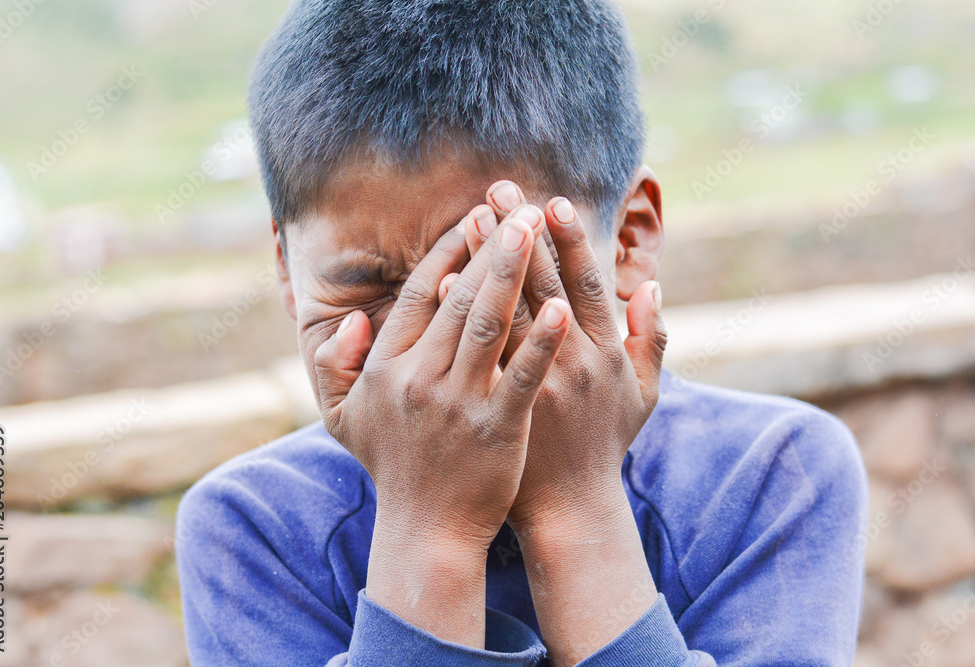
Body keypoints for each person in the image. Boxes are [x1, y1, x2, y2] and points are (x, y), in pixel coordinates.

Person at [175, 0, 867, 664]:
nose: (429, 365)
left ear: (628, 240)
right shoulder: (254, 529)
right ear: (287, 271)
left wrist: (575, 506)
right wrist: (430, 529)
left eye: (497, 277)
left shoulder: (770, 477)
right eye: (369, 288)